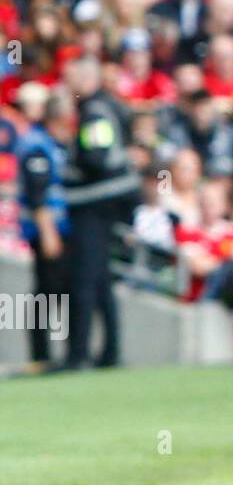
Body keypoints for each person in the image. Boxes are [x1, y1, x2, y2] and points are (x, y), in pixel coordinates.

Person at [62, 56, 140, 369]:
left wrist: (72, 165)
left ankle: (78, 354)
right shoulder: (101, 107)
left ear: (86, 79)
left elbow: (97, 156)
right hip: (105, 205)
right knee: (101, 282)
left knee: (84, 281)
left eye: (71, 79)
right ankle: (109, 353)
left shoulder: (94, 112)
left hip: (96, 206)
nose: (66, 85)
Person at [14, 84, 74, 368]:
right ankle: (40, 354)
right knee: (46, 290)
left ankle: (61, 352)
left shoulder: (53, 142)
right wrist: (48, 233)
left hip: (59, 228)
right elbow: (37, 195)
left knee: (58, 290)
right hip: (45, 229)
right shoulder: (36, 145)